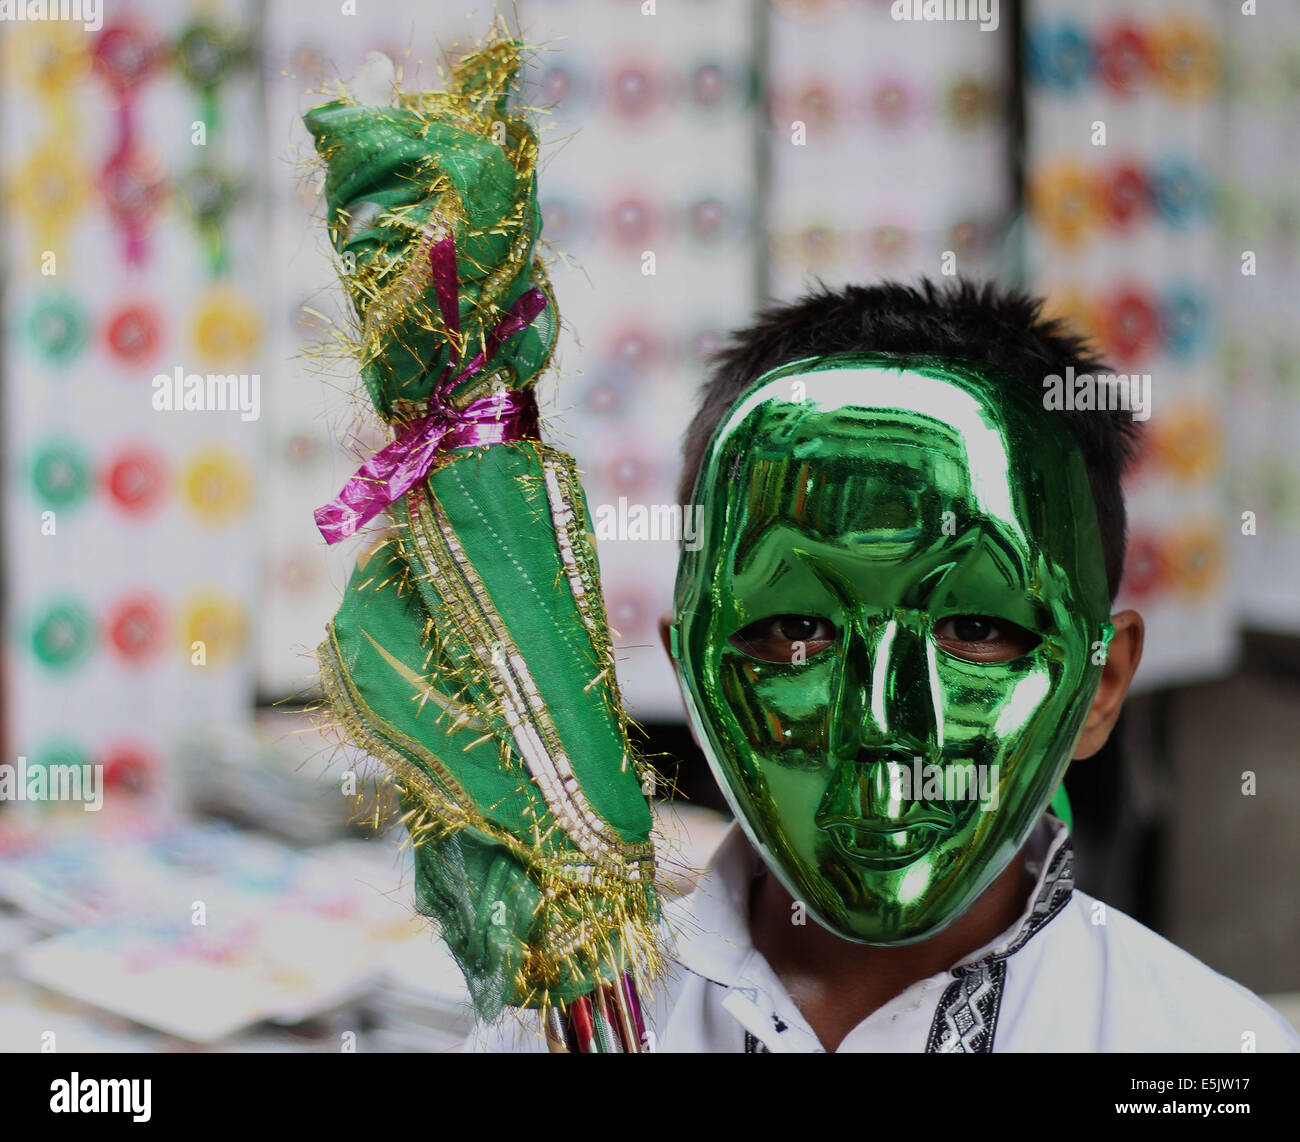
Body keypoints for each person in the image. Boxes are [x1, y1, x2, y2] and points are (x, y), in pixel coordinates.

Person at [471, 278, 1300, 1053]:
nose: (883, 724)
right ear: (692, 673)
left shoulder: (1201, 1053)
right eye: (796, 627)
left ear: (1100, 687)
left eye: (976, 628)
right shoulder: (566, 1031)